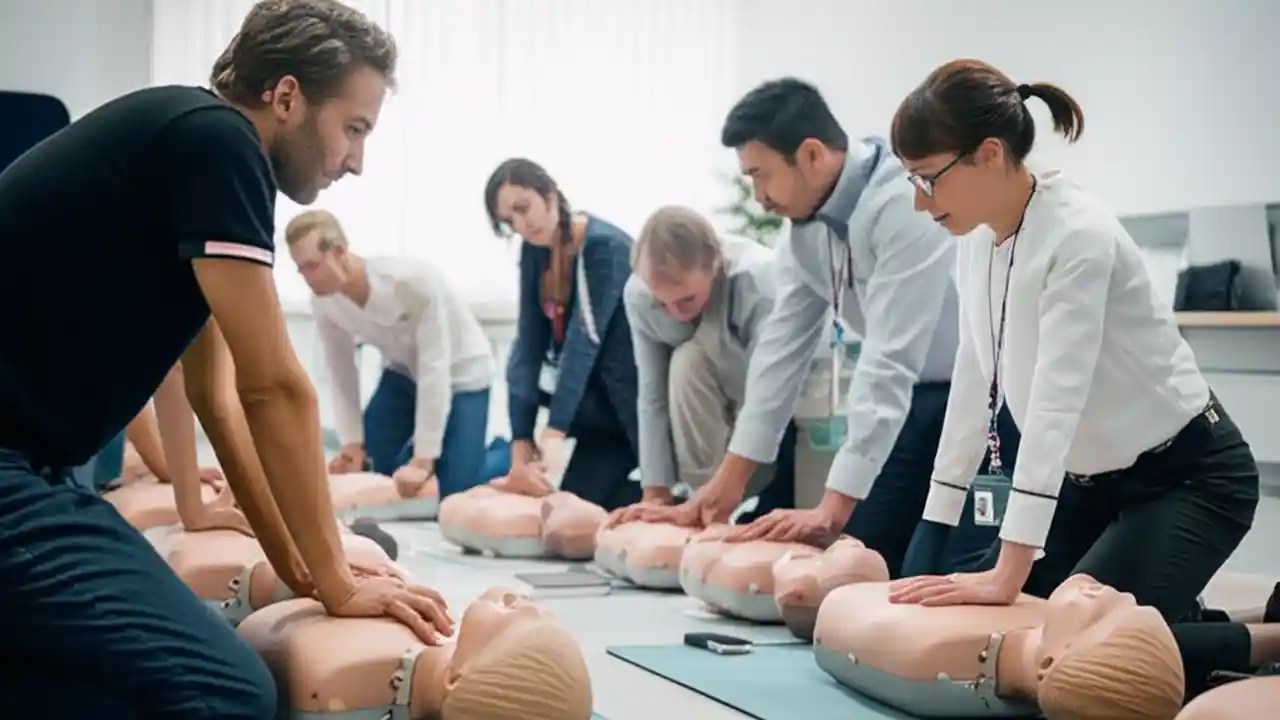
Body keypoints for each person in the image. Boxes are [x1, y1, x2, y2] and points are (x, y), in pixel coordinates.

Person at [0, 1, 453, 716]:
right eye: (354, 130)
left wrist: (300, 568)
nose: (358, 162)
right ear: (287, 97)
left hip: (30, 466)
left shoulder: (190, 148)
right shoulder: (219, 145)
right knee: (231, 692)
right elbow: (275, 388)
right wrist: (337, 581)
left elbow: (219, 396)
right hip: (9, 472)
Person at [885, 59, 1259, 623]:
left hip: (1190, 476)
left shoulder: (1077, 234)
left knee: (1083, 641)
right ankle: (1186, 613)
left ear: (989, 154)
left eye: (928, 179)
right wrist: (933, 530)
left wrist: (1007, 575)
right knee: (984, 625)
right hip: (1086, 486)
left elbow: (1055, 406)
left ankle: (1266, 637)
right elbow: (972, 377)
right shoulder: (977, 237)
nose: (920, 200)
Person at [635, 78, 980, 579]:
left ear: (812, 155)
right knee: (860, 555)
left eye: (761, 175)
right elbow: (780, 355)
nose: (758, 197)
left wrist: (830, 509)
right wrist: (724, 488)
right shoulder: (805, 230)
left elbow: (888, 360)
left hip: (971, 397)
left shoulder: (902, 204)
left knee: (882, 564)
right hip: (915, 400)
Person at [284, 208, 498, 498]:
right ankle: (432, 448)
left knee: (455, 488)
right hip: (403, 373)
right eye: (300, 269)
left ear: (339, 251)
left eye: (313, 266)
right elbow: (342, 373)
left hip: (462, 374)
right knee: (375, 468)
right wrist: (352, 445)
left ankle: (504, 454)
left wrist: (423, 458)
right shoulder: (324, 302)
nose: (307, 278)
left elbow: (435, 367)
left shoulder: (410, 283)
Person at [607, 205, 796, 525]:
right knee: (686, 361)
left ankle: (713, 504)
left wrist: (729, 485)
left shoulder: (758, 281)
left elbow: (773, 394)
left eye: (687, 300)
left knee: (695, 354)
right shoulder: (639, 295)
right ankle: (701, 500)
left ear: (714, 264)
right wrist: (656, 492)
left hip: (789, 419)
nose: (675, 313)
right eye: (662, 303)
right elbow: (651, 396)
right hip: (707, 423)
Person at [484, 158, 642, 511]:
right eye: (510, 221)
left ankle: (670, 497)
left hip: (631, 408)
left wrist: (554, 430)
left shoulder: (605, 248)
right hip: (594, 414)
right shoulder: (535, 250)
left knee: (580, 506)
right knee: (571, 502)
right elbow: (528, 342)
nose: (522, 226)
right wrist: (521, 438)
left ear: (550, 195)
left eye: (524, 209)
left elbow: (584, 340)